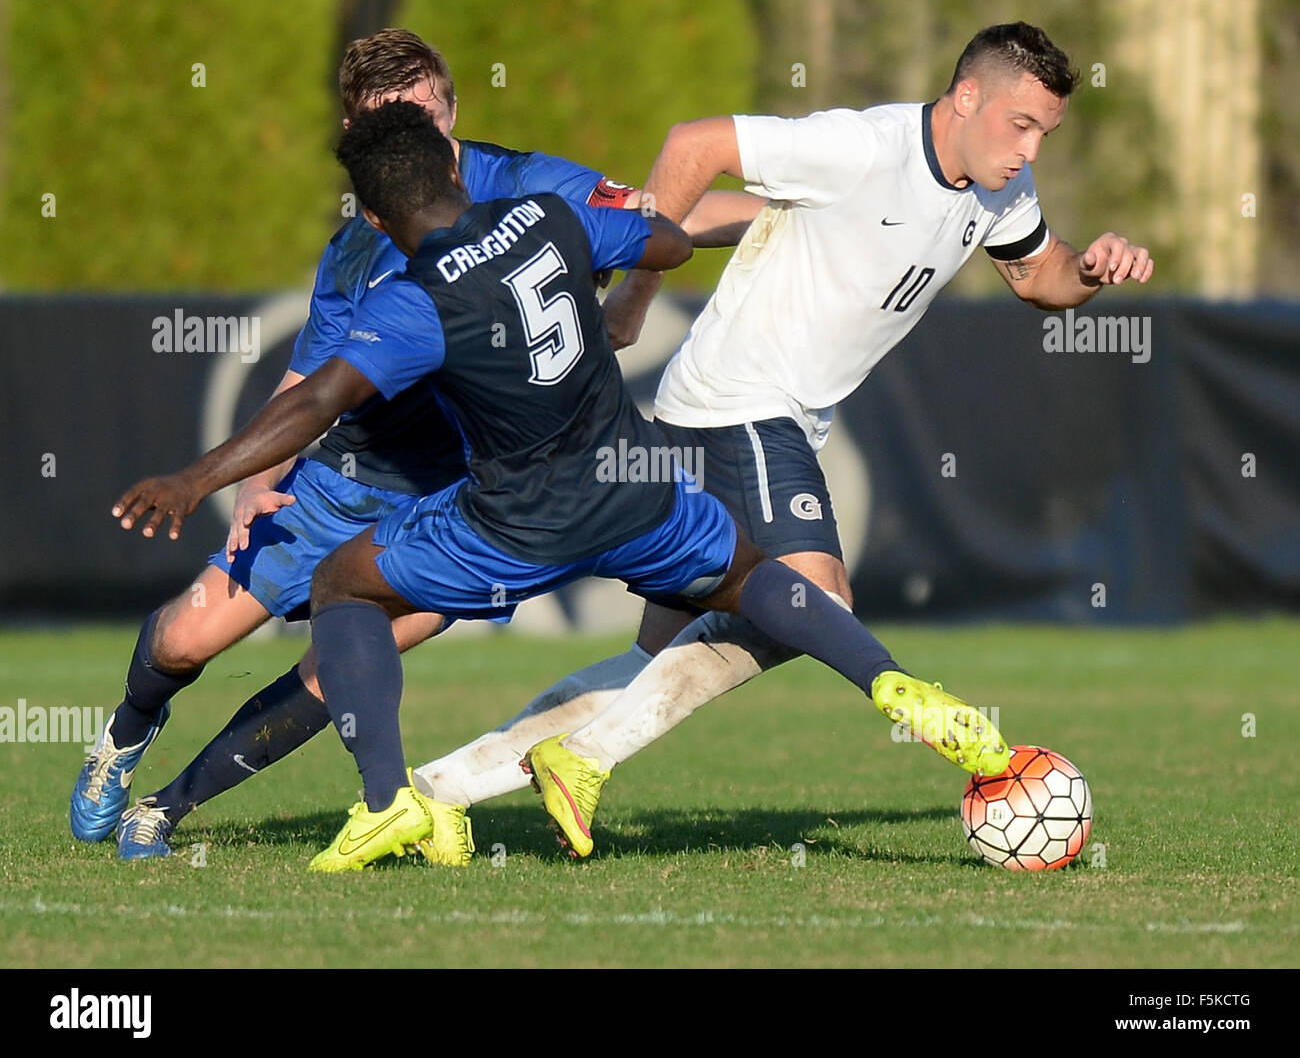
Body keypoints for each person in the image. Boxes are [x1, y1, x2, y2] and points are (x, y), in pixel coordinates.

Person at [112, 101, 1008, 871]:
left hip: (516, 525)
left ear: (379, 222)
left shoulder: (413, 300)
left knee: (341, 581)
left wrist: (196, 477)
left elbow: (315, 401)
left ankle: (388, 797)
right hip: (638, 494)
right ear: (454, 170)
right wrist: (603, 275)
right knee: (750, 576)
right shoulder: (550, 215)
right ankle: (889, 680)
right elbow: (664, 235)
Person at [416, 20, 1154, 859]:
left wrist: (1089, 270)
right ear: (967, 96)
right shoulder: (860, 146)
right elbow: (694, 144)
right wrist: (635, 287)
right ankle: (584, 756)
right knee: (813, 599)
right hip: (741, 402)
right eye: (1020, 125)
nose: (1029, 150)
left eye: (1044, 135)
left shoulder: (998, 193)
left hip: (753, 411)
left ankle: (445, 786)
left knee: (657, 660)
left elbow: (1039, 276)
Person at [73, 28, 756, 862]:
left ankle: (166, 809)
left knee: (334, 671)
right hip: (350, 475)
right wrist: (255, 480)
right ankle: (121, 738)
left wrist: (796, 220)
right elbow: (312, 380)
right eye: (382, 122)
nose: (406, 136)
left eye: (421, 114)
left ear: (454, 112)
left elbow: (658, 215)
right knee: (185, 640)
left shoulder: (529, 184)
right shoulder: (361, 234)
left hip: (464, 499)